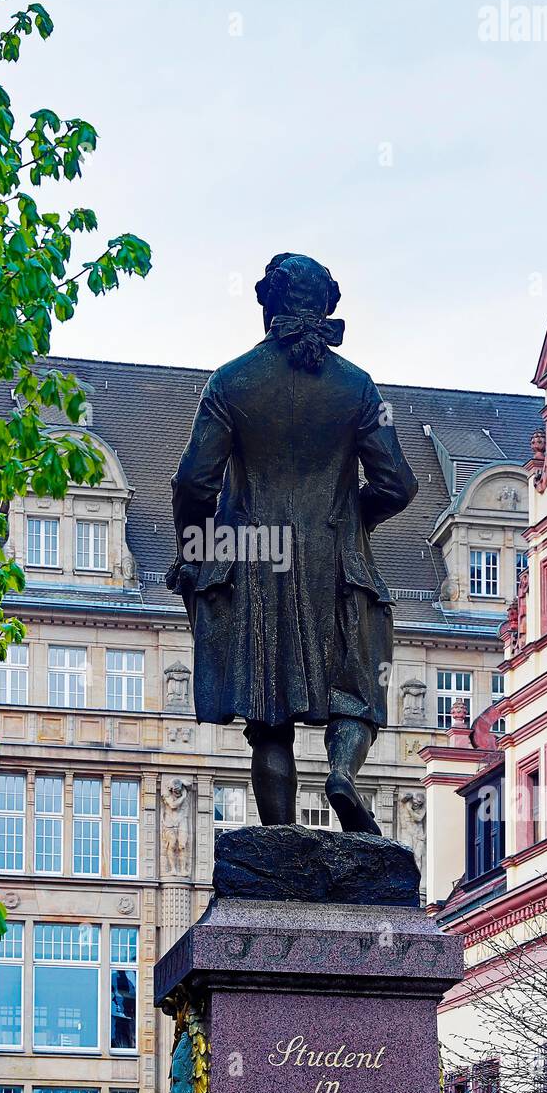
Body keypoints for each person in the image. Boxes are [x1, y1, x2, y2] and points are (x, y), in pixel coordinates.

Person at [169, 253, 418, 833]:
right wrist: (355, 519)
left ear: (268, 304)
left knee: (268, 714)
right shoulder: (356, 386)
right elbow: (398, 483)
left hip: (255, 560)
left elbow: (192, 482)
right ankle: (342, 776)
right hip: (336, 558)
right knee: (357, 686)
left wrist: (192, 546)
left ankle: (277, 839)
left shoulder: (231, 382)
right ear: (325, 307)